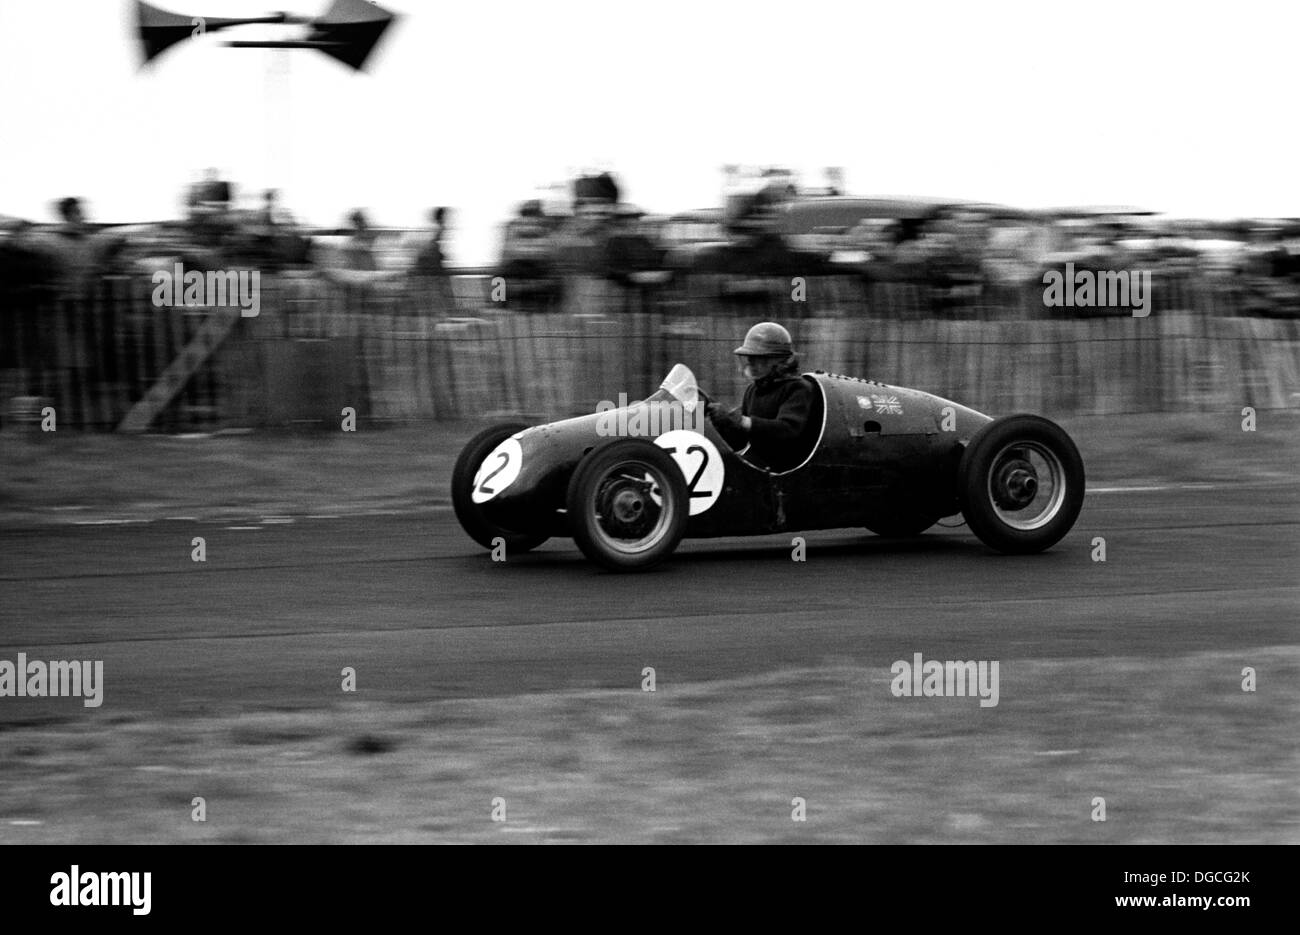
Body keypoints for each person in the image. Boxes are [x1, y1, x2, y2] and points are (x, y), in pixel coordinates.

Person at [707, 321, 817, 472]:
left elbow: (788, 429)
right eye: (749, 357)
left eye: (758, 358)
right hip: (756, 465)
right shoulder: (753, 389)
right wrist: (722, 424)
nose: (751, 363)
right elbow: (740, 441)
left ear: (777, 360)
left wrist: (742, 421)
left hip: (784, 468)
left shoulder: (798, 388)